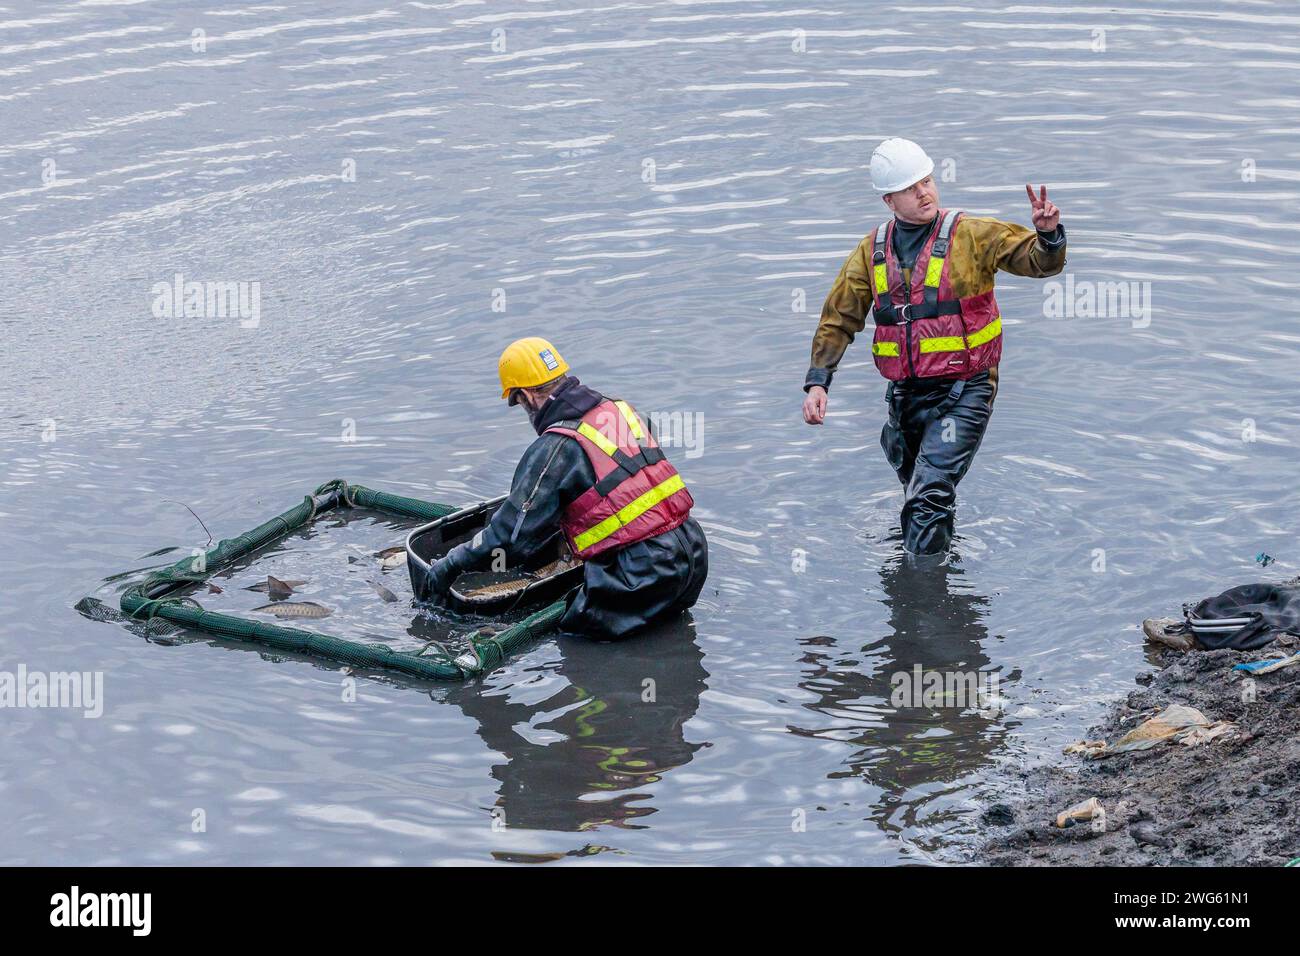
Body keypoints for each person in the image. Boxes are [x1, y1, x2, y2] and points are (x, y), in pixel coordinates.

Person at [801, 137, 1067, 557]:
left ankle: (921, 599)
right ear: (889, 199)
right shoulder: (870, 252)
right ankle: (938, 572)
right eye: (910, 187)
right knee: (919, 486)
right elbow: (839, 318)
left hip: (967, 388)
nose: (924, 192)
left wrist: (1048, 237)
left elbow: (1036, 262)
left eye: (926, 181)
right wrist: (819, 383)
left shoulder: (974, 235)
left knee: (927, 498)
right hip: (907, 393)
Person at [419, 337, 708, 640]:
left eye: (518, 402)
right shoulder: (622, 410)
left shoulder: (554, 448)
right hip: (692, 553)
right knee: (665, 636)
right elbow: (620, 487)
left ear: (526, 396)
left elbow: (509, 539)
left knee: (575, 645)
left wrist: (449, 566)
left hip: (641, 576)